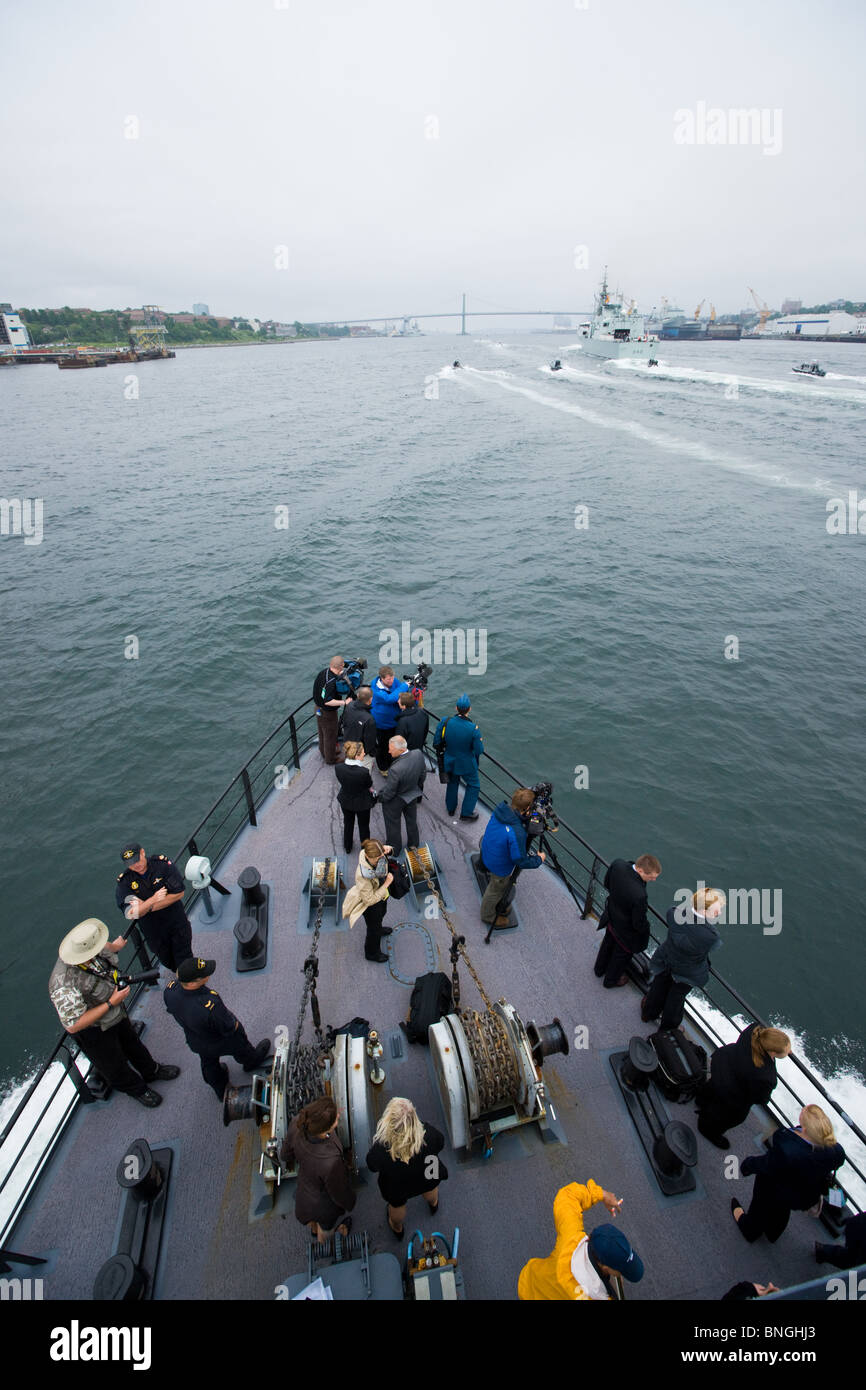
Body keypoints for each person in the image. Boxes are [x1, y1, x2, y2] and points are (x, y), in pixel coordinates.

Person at [49, 918, 179, 1108]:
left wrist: (114, 946)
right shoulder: (63, 984)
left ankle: (151, 1071)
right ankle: (138, 1089)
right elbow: (74, 1024)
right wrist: (111, 1003)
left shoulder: (91, 949)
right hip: (94, 1029)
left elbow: (104, 948)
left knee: (132, 1042)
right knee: (113, 1063)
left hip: (115, 1010)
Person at [731, 1105, 845, 1244]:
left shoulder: (787, 1148)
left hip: (775, 1187)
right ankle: (773, 1233)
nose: (802, 1111)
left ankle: (750, 1230)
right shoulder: (837, 1151)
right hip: (802, 1194)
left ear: (806, 1128)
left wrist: (747, 1166)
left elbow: (767, 1164)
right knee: (782, 1210)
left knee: (761, 1206)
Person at [163, 957, 270, 1100]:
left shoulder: (170, 991)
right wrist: (237, 1027)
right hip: (221, 1040)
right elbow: (229, 1026)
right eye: (204, 974)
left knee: (208, 1063)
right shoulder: (209, 1004)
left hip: (196, 1040)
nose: (208, 975)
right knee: (241, 1047)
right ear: (193, 983)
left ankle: (221, 1090)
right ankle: (251, 1062)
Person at [517, 1181, 644, 1300]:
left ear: (589, 1238)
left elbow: (567, 1196)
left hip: (529, 1284)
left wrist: (601, 1194)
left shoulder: (570, 1240)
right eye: (621, 1271)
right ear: (605, 1268)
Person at [640, 887, 725, 1030]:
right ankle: (668, 1027)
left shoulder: (673, 913)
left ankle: (648, 1013)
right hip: (687, 972)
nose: (719, 913)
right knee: (675, 1000)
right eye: (716, 911)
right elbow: (712, 947)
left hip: (666, 959)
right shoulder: (711, 936)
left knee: (658, 987)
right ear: (704, 912)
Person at [695, 1024, 792, 1149]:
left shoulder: (754, 1030)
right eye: (786, 1051)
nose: (789, 1052)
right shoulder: (767, 1076)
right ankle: (706, 1130)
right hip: (730, 1091)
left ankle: (700, 1100)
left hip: (722, 1064)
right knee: (730, 1116)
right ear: (772, 1052)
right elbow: (760, 1099)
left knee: (711, 1088)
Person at [365, 1097, 448, 1238]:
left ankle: (397, 1228)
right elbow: (441, 1143)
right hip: (428, 1175)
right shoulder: (429, 1135)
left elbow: (372, 1165)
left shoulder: (381, 1150)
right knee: (431, 1188)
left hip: (398, 1186)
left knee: (397, 1205)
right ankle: (433, 1203)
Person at [280, 1097, 355, 1243]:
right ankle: (326, 1241)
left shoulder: (297, 1123)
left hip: (304, 1197)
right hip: (323, 1207)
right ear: (324, 1131)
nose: (338, 1116)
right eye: (334, 1119)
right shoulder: (330, 1161)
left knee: (313, 1220)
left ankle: (314, 1229)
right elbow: (339, 1192)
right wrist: (350, 1202)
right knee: (325, 1231)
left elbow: (285, 1155)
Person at [115, 842, 193, 973]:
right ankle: (182, 976)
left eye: (137, 860)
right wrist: (153, 899)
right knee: (167, 961)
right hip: (154, 932)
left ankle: (190, 982)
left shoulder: (162, 866)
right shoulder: (125, 883)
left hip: (176, 923)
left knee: (185, 959)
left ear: (143, 852)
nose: (136, 865)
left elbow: (179, 893)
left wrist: (145, 907)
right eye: (131, 864)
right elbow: (131, 913)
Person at [478, 788, 546, 928]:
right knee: (495, 890)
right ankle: (487, 915)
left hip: (487, 850)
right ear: (527, 808)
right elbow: (520, 860)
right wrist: (539, 859)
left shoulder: (501, 809)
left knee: (497, 884)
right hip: (498, 866)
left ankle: (497, 903)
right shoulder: (517, 832)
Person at [593, 855, 662, 988]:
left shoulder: (618, 864)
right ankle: (610, 981)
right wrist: (645, 929)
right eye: (652, 876)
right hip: (625, 932)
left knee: (607, 944)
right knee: (620, 956)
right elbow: (638, 923)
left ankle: (599, 969)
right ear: (641, 871)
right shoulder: (640, 895)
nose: (653, 879)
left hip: (611, 916)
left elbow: (607, 883)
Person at [341, 838, 394, 962]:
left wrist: (389, 849)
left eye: (382, 856)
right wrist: (386, 884)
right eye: (377, 860)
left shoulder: (374, 852)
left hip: (381, 896)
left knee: (382, 914)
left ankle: (379, 929)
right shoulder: (363, 876)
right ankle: (371, 953)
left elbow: (388, 851)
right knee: (373, 929)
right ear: (368, 857)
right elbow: (369, 900)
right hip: (371, 906)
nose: (381, 860)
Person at [433, 694, 483, 821]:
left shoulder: (445, 721)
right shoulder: (473, 729)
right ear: (469, 709)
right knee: (473, 785)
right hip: (467, 764)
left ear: (456, 708)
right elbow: (479, 750)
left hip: (449, 760)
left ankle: (450, 809)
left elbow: (436, 741)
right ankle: (466, 813)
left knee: (453, 782)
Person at [378, 735, 425, 854]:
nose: (388, 751)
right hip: (412, 795)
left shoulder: (395, 769)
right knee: (411, 821)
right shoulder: (418, 754)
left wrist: (381, 798)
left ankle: (394, 848)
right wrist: (414, 787)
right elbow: (422, 775)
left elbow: (390, 791)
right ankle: (413, 844)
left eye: (391, 749)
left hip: (396, 800)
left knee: (393, 825)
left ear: (401, 750)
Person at [334, 740, 377, 854]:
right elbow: (368, 785)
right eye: (363, 752)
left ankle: (348, 846)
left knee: (348, 823)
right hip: (362, 803)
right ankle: (365, 848)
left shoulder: (338, 768)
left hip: (346, 800)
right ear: (357, 755)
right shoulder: (363, 772)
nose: (364, 754)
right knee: (363, 826)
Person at [312, 656, 354, 765]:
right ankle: (330, 759)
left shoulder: (324, 672)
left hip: (318, 708)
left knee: (322, 732)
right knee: (330, 735)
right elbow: (328, 701)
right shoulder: (331, 682)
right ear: (341, 666)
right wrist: (344, 702)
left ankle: (324, 752)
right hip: (327, 713)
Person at [370, 665, 409, 773]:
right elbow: (388, 699)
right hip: (382, 724)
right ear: (382, 678)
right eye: (388, 679)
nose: (392, 681)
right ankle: (383, 768)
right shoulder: (376, 689)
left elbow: (400, 690)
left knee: (393, 744)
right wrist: (405, 685)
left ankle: (393, 761)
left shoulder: (394, 681)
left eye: (392, 678)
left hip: (394, 721)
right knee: (382, 747)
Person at [341, 685, 377, 770]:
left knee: (350, 766)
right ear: (370, 699)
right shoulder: (369, 719)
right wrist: (370, 753)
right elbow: (370, 740)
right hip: (361, 751)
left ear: (358, 695)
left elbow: (344, 722)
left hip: (348, 744)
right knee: (364, 771)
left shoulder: (349, 706)